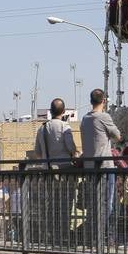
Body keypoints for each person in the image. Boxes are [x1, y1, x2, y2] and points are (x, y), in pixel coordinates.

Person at [31, 98, 78, 245]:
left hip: (48, 172)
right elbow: (71, 148)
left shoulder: (42, 129)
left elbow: (37, 153)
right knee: (66, 204)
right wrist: (76, 153)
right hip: (65, 171)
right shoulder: (65, 126)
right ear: (63, 111)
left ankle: (51, 234)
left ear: (50, 111)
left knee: (52, 205)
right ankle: (64, 235)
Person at [80, 88, 122, 249]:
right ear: (104, 101)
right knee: (107, 203)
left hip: (89, 167)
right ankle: (103, 238)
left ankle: (93, 237)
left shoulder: (85, 119)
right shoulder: (104, 117)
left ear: (91, 101)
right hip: (104, 167)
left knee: (94, 203)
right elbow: (118, 136)